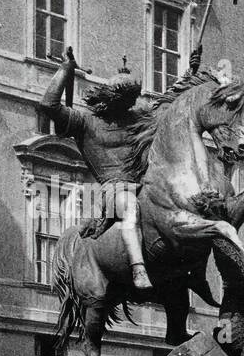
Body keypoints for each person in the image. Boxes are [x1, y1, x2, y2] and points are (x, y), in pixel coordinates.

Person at [40, 49, 157, 290]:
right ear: (110, 98)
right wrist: (65, 69)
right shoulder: (85, 122)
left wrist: (189, 74)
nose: (128, 105)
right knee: (130, 207)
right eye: (123, 100)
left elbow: (169, 113)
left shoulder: (138, 118)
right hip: (114, 190)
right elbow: (48, 104)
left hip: (145, 184)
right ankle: (138, 269)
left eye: (130, 101)